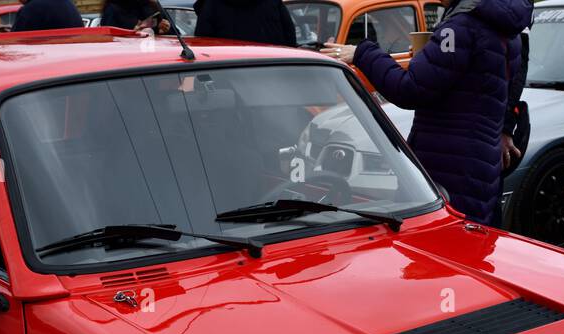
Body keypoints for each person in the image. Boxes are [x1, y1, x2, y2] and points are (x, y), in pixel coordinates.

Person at [322, 0, 532, 225]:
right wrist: (428, 57)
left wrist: (363, 53)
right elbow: (480, 83)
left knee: (440, 245)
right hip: (481, 163)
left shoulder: (461, 26)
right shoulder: (506, 27)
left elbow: (409, 90)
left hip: (448, 166)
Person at [193, 0, 296, 46]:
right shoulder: (272, 2)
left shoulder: (212, 4)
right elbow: (289, 33)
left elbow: (202, 42)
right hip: (274, 67)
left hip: (226, 72)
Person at [12, 0, 84, 31]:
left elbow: (14, 42)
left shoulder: (31, 9)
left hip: (49, 59)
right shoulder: (67, 3)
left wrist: (0, 35)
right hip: (72, 57)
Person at [99, 0, 165, 30]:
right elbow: (108, 39)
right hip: (128, 53)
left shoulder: (150, 5)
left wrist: (163, 28)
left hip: (154, 52)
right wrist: (133, 33)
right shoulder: (112, 8)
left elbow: (169, 34)